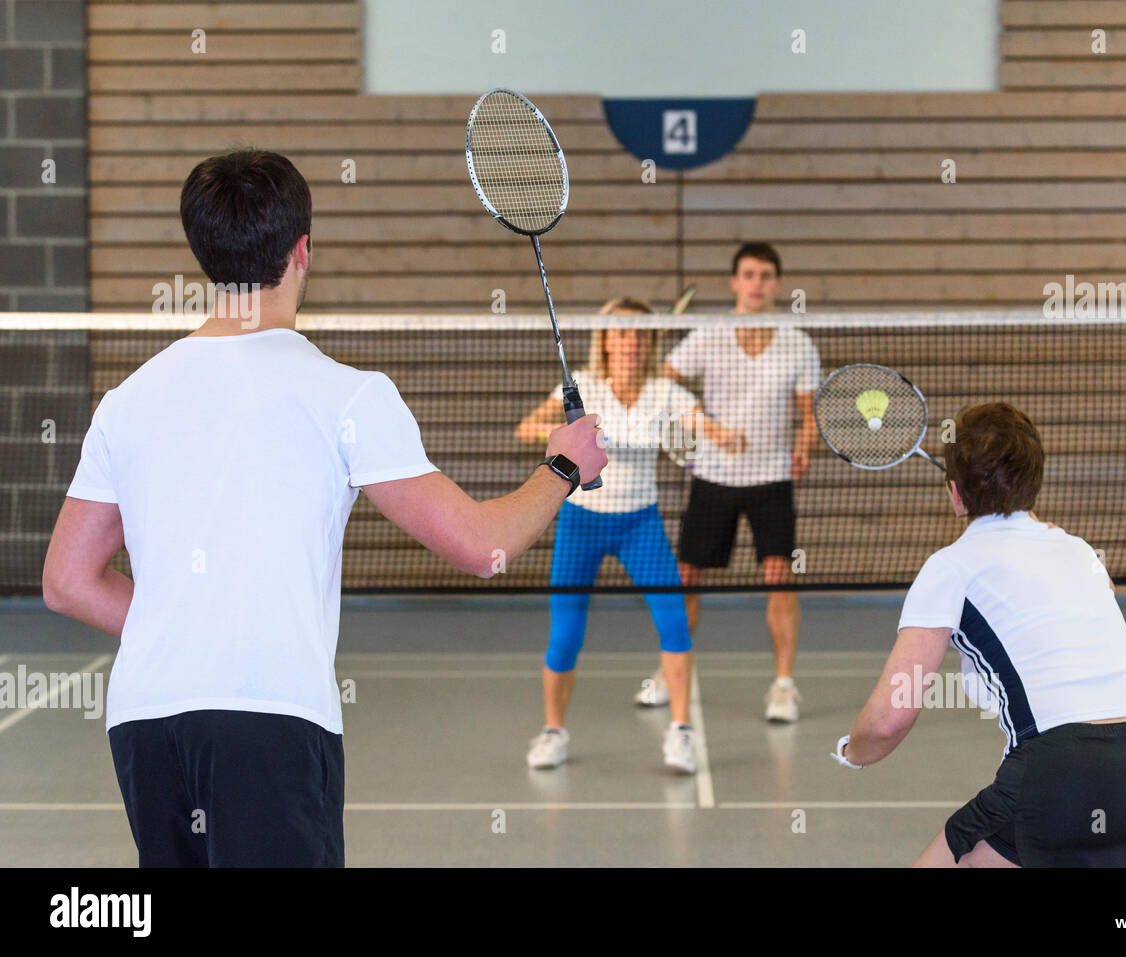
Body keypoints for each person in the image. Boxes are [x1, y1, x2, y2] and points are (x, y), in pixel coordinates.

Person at [40, 149, 606, 867]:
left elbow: (66, 581)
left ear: (204, 252)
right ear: (302, 249)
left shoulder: (126, 402)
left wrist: (181, 618)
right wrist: (563, 464)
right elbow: (481, 545)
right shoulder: (346, 394)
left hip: (144, 721)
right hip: (270, 718)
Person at [831, 402, 1126, 867]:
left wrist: (854, 752)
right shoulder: (1079, 549)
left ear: (954, 494)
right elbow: (1096, 592)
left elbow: (889, 719)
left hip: (1062, 773)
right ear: (1034, 482)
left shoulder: (949, 567)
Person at [515, 297, 742, 773]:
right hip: (581, 522)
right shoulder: (582, 389)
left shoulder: (668, 394)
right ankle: (553, 731)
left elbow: (704, 430)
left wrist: (723, 437)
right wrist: (567, 440)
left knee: (675, 625)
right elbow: (527, 428)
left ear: (650, 342)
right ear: (605, 340)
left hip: (641, 523)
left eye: (639, 334)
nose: (630, 342)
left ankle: (680, 732)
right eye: (620, 333)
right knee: (565, 636)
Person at [637, 243, 821, 721]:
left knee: (780, 579)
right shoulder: (708, 335)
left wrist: (804, 447)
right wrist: (695, 421)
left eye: (764, 275)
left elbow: (809, 415)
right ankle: (666, 670)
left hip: (771, 478)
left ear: (777, 283)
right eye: (748, 274)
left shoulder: (797, 342)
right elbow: (663, 380)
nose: (756, 283)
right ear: (734, 282)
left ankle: (783, 685)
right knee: (687, 578)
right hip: (713, 476)